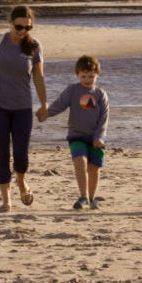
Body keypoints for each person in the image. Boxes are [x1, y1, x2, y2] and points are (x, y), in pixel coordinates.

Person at [0, 6, 48, 212]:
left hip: (22, 108)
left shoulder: (34, 46)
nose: (23, 31)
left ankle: (22, 182)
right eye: (19, 26)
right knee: (1, 153)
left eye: (28, 27)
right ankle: (6, 200)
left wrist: (44, 104)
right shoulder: (0, 40)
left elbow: (39, 77)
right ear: (10, 23)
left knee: (21, 155)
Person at [43, 55, 109, 211]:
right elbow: (59, 105)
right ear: (77, 75)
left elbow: (104, 118)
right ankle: (83, 197)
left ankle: (92, 199)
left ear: (97, 75)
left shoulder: (101, 94)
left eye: (91, 76)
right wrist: (45, 113)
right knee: (80, 162)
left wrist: (99, 137)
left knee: (94, 168)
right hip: (76, 135)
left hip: (95, 138)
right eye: (84, 76)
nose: (87, 79)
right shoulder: (72, 90)